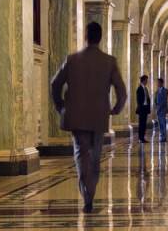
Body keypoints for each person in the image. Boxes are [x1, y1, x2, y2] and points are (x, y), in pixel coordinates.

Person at [51, 21, 128, 212]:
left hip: (76, 117)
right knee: (95, 157)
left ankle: (87, 195)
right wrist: (116, 108)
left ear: (85, 36)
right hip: (99, 118)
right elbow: (122, 90)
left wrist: (61, 106)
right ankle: (90, 192)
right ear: (100, 37)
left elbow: (55, 84)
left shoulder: (72, 60)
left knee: (80, 155)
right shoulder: (109, 61)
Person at [135, 75, 151, 142]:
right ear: (143, 80)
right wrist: (140, 107)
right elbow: (138, 100)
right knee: (141, 123)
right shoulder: (139, 89)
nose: (147, 81)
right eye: (146, 80)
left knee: (144, 123)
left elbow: (148, 98)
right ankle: (140, 137)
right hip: (141, 108)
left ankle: (143, 137)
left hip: (145, 108)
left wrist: (148, 108)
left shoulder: (146, 88)